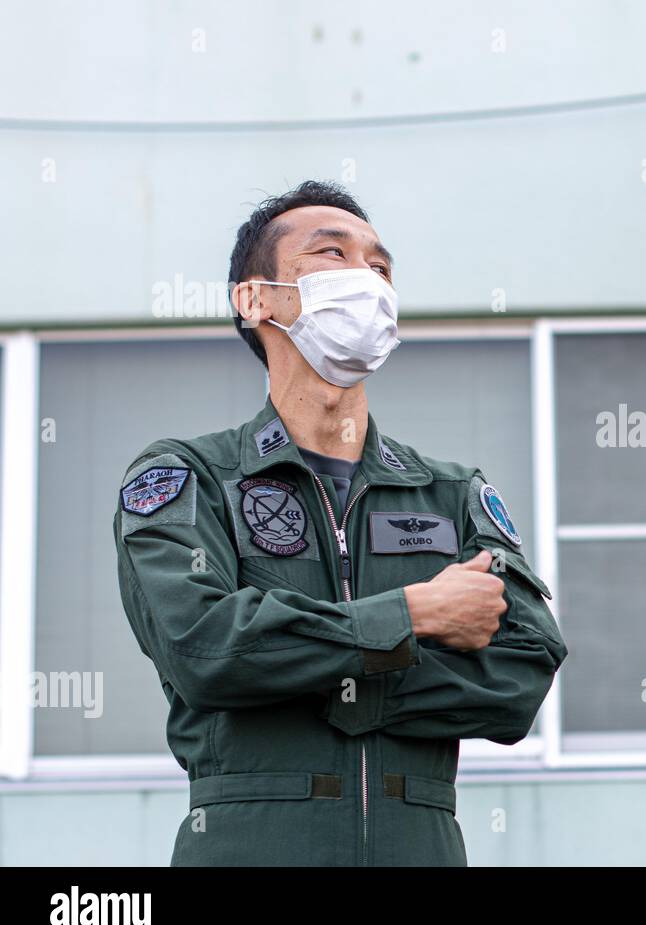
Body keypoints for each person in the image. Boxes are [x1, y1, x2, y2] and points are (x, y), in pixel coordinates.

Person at [114, 180, 565, 866]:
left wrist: (342, 692)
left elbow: (518, 679)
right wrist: (413, 616)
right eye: (334, 254)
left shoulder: (448, 492)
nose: (367, 279)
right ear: (255, 298)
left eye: (380, 267)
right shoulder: (192, 476)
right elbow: (204, 649)